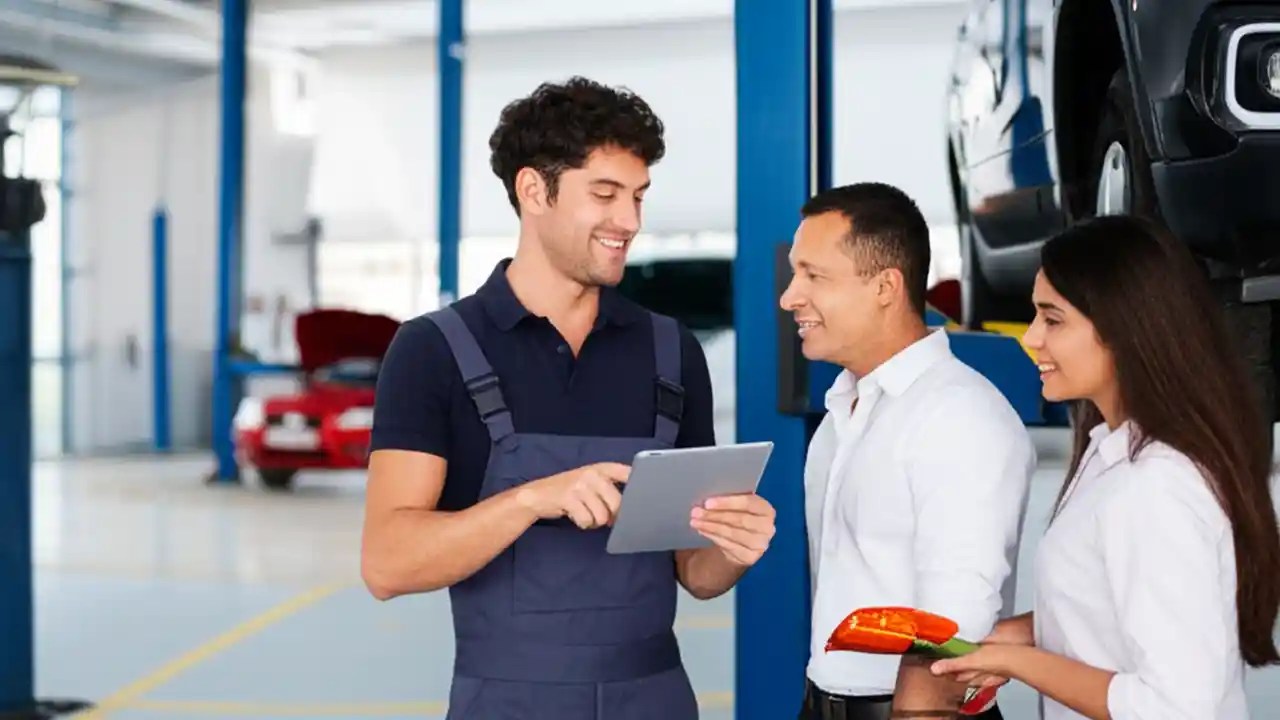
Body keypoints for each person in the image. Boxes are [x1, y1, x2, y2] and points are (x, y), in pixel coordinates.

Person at [359, 76, 777, 720]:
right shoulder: (432, 351)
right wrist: (531, 499)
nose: (629, 222)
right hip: (506, 702)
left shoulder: (670, 351)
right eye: (605, 194)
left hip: (656, 699)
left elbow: (695, 573)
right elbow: (387, 564)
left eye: (638, 196)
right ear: (534, 191)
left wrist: (735, 544)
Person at [931, 214, 1280, 719]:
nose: (1030, 338)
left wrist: (1019, 661)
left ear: (1124, 329)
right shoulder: (1109, 451)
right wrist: (1023, 633)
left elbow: (1179, 706)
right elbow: (1107, 602)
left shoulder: (1158, 487)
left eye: (1053, 320)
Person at [780, 182, 1036, 720]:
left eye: (813, 276)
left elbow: (952, 627)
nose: (789, 297)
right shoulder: (841, 416)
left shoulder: (959, 416)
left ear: (885, 287)